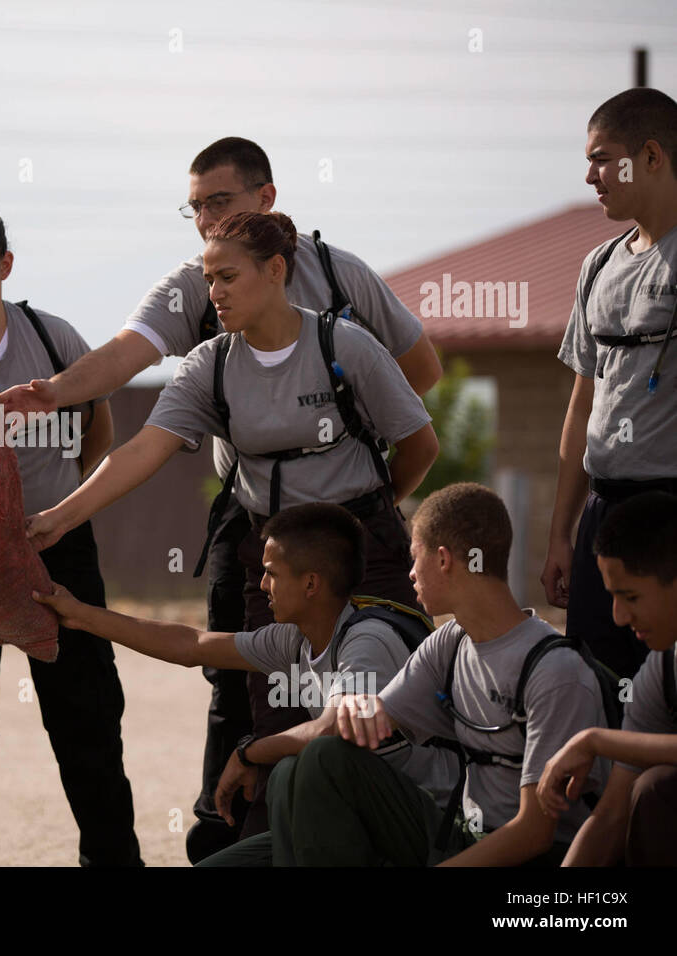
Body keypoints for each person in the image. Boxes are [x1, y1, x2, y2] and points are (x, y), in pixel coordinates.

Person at [1, 136, 441, 860]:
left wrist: (362, 512)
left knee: (375, 707)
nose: (212, 281)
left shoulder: (343, 317)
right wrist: (55, 510)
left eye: (220, 206)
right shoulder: (210, 354)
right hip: (267, 539)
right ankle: (243, 838)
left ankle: (417, 835)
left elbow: (418, 432)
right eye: (195, 210)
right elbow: (143, 438)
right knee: (252, 701)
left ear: (272, 248)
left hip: (362, 546)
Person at [33, 502, 456, 867]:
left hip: (418, 828)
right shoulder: (297, 635)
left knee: (304, 763)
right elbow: (192, 644)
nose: (262, 583)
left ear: (310, 583)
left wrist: (250, 750)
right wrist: (81, 615)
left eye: (271, 573)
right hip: (346, 822)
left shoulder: (368, 640)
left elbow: (334, 730)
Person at [0, 201, 139, 866]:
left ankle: (114, 859)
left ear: (5, 265)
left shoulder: (51, 338)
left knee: (87, 722)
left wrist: (64, 509)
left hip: (54, 547)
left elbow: (96, 431)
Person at [330, 483, 609, 866]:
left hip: (531, 855)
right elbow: (376, 719)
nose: (410, 573)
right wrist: (353, 706)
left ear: (443, 559)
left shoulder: (554, 670)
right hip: (461, 835)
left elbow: (535, 833)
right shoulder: (451, 641)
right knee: (322, 761)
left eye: (415, 557)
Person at [542, 87, 677, 682]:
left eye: (602, 158)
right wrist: (560, 534)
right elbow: (583, 404)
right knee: (594, 687)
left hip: (669, 513)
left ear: (651, 156)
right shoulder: (597, 264)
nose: (590, 175)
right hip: (604, 511)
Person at [539, 491, 677, 866]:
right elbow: (611, 816)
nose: (617, 617)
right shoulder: (664, 670)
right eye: (612, 597)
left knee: (657, 789)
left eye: (630, 596)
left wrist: (599, 741)